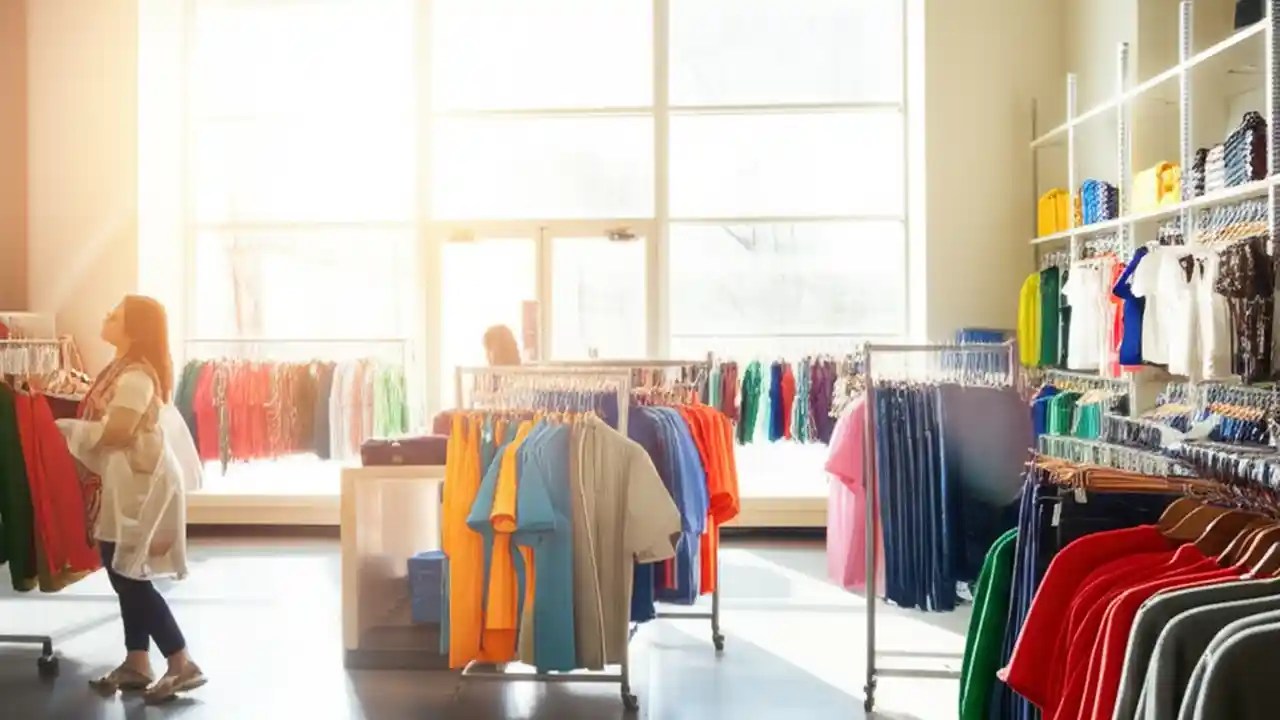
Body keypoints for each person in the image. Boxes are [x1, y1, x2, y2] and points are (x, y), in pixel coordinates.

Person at [56, 295, 205, 703]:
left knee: (127, 574)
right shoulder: (121, 370)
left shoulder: (136, 376)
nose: (106, 316)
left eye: (115, 314)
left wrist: (68, 430)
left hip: (139, 487)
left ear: (132, 329)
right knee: (124, 569)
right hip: (127, 483)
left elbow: (119, 431)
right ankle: (137, 661)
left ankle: (180, 660)